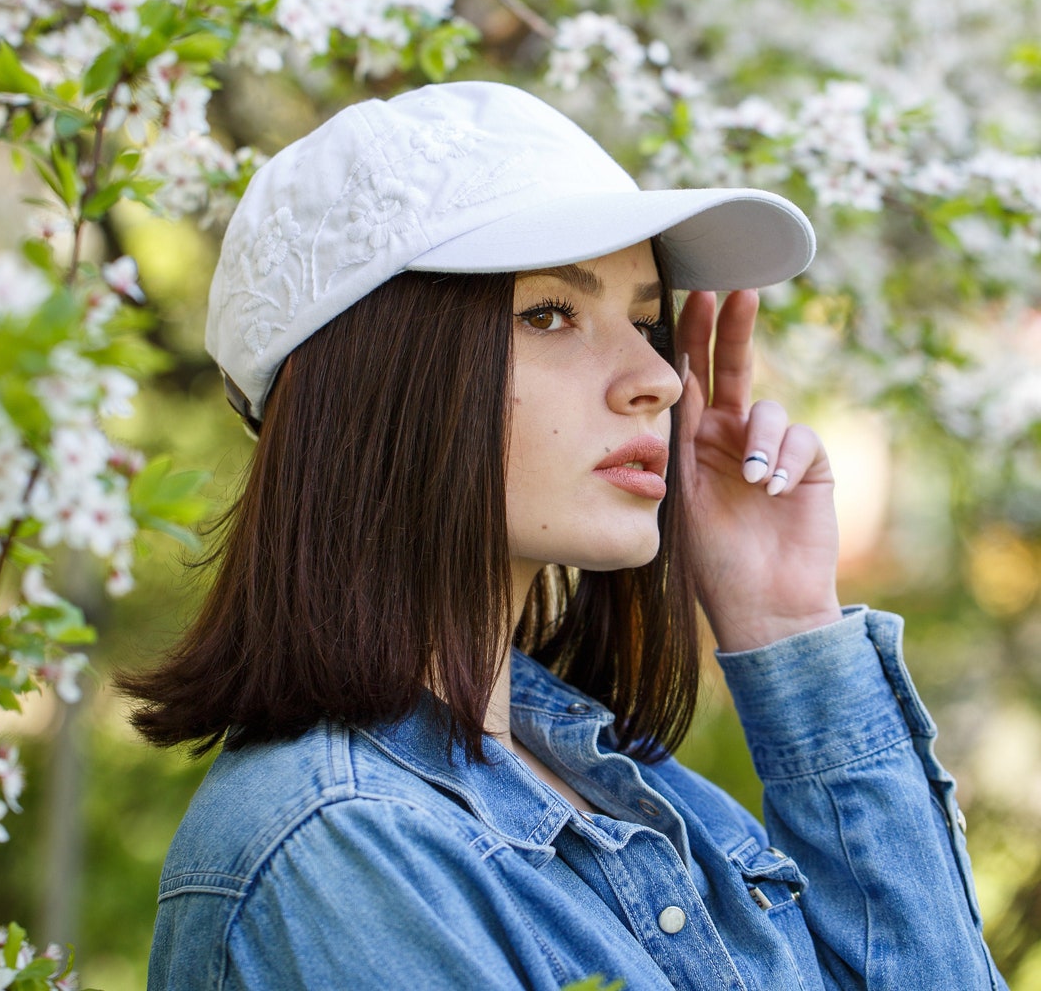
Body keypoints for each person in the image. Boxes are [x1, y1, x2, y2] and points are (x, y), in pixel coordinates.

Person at [119, 81, 1007, 990]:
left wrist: (786, 622)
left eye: (648, 322)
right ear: (377, 381)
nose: (656, 380)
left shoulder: (621, 787)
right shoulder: (340, 851)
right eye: (550, 314)